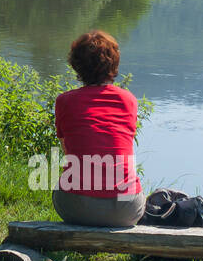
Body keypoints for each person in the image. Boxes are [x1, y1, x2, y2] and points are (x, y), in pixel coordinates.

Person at [51, 30, 145, 227]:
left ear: (76, 66)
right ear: (113, 64)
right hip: (124, 211)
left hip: (76, 208)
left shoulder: (64, 101)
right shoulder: (129, 100)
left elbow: (68, 151)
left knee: (60, 186)